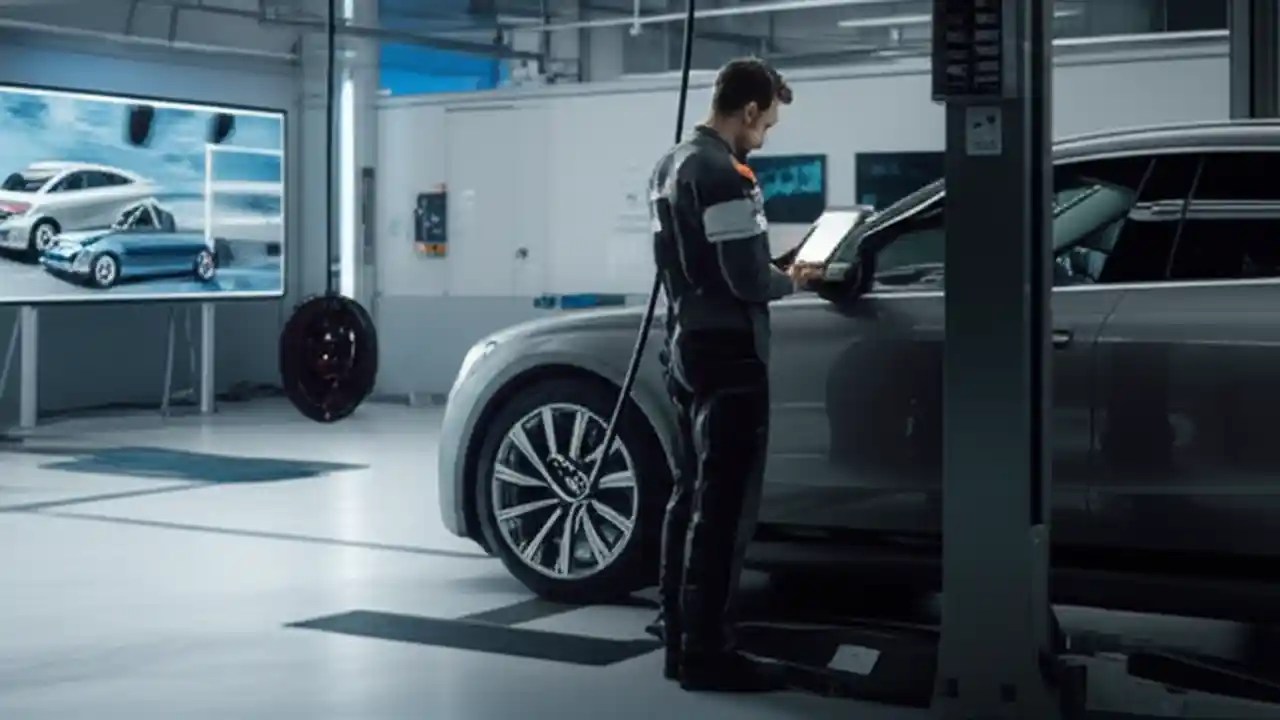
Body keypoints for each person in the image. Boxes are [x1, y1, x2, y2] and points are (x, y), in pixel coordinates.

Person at [647, 57, 822, 691]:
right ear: (747, 110)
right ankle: (710, 654)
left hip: (687, 346)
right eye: (766, 125)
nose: (765, 136)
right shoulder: (724, 173)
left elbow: (708, 258)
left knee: (687, 496)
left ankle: (676, 634)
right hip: (731, 354)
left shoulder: (670, 165)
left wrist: (768, 264)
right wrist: (792, 279)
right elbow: (746, 278)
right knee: (725, 508)